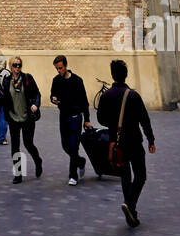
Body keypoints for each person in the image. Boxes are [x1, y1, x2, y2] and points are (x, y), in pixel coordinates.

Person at [96, 59, 155, 227]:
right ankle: (130, 205)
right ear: (125, 75)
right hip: (134, 141)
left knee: (125, 176)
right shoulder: (133, 95)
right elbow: (145, 120)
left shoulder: (106, 96)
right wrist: (151, 139)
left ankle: (130, 209)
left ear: (113, 75)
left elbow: (100, 118)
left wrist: (114, 124)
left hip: (117, 142)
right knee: (141, 175)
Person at [49, 55, 89, 185]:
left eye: (60, 68)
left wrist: (87, 120)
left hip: (76, 118)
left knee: (73, 146)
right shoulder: (56, 80)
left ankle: (73, 176)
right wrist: (53, 99)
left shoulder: (77, 80)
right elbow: (52, 94)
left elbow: (84, 101)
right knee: (65, 146)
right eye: (56, 68)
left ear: (66, 66)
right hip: (63, 117)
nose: (58, 71)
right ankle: (81, 162)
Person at [3, 57, 43, 183]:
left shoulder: (27, 78)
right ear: (10, 66)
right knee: (15, 147)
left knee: (28, 143)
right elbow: (4, 98)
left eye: (19, 65)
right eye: (15, 65)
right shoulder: (6, 81)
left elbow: (37, 93)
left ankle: (38, 160)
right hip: (13, 118)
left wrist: (36, 105)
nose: (17, 68)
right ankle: (18, 174)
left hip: (27, 118)